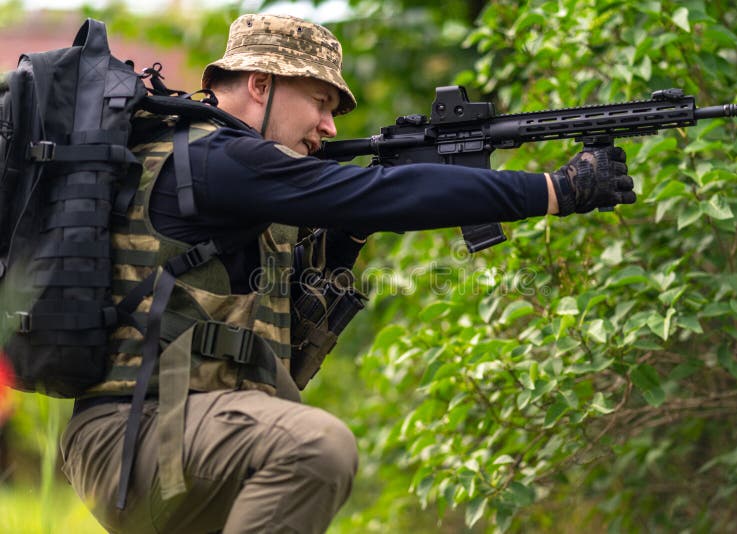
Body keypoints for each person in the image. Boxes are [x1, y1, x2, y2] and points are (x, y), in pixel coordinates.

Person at [59, 13, 635, 534]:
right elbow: (374, 195)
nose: (330, 128)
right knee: (315, 446)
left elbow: (287, 333)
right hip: (139, 440)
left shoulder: (215, 171)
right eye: (320, 102)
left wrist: (349, 237)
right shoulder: (217, 160)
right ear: (262, 84)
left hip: (181, 437)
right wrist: (555, 190)